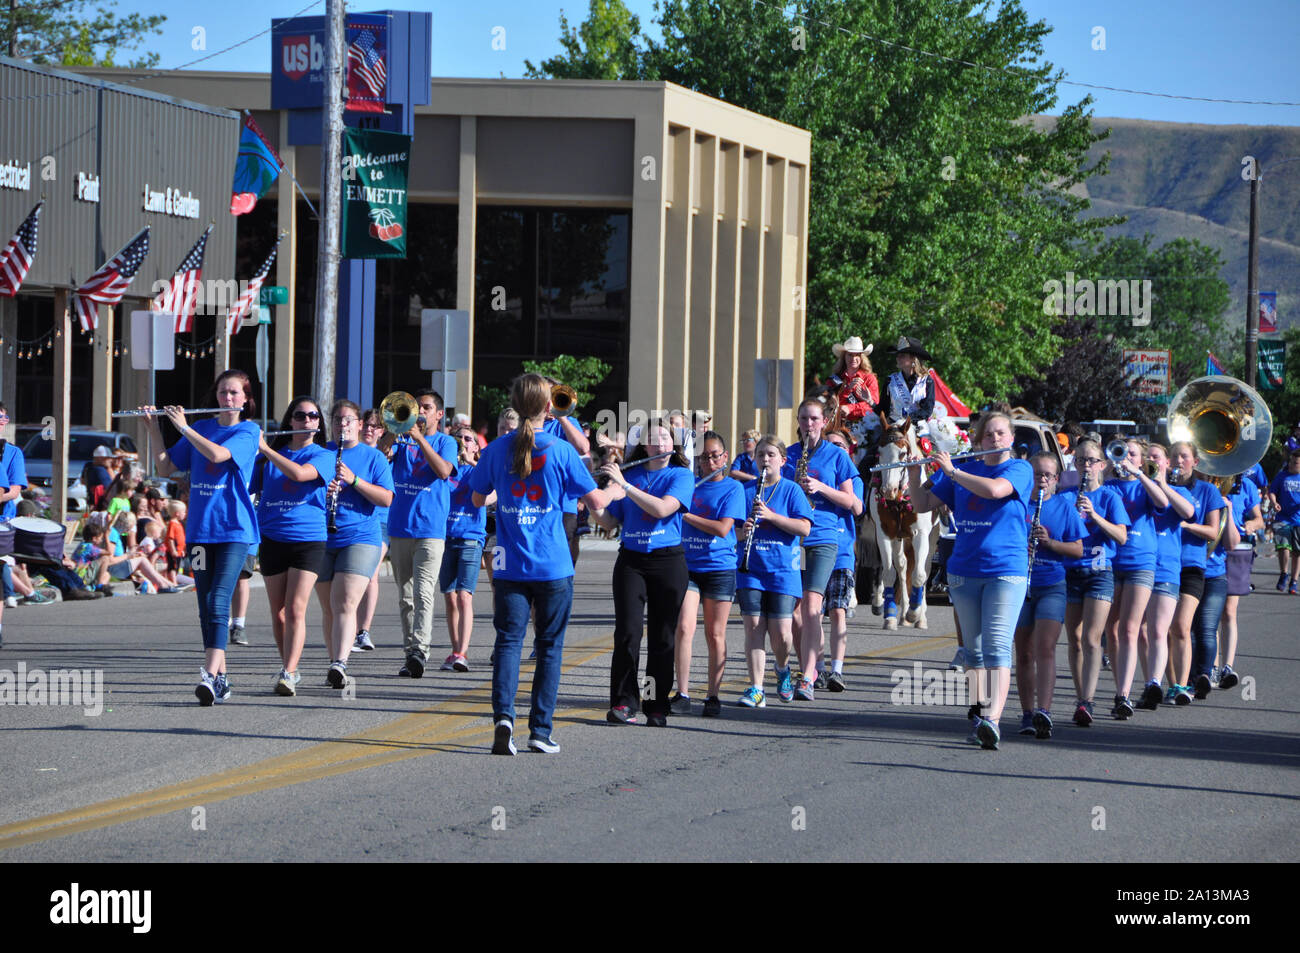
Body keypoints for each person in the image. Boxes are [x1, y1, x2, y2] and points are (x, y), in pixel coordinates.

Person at [468, 373, 607, 755]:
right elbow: (597, 506)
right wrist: (616, 486)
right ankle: (540, 731)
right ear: (550, 407)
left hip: (510, 565)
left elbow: (478, 499)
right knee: (549, 647)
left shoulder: (496, 448)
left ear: (515, 405)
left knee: (509, 643)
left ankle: (503, 720)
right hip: (553, 565)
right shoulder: (561, 452)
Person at [909, 411, 1033, 749]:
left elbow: (995, 491)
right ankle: (980, 715)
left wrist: (952, 471)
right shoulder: (965, 467)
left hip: (1005, 570)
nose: (995, 439)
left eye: (1001, 434)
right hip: (964, 570)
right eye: (988, 435)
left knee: (996, 646)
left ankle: (992, 720)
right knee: (973, 652)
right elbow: (921, 503)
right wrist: (915, 470)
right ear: (977, 440)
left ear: (1011, 438)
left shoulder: (1019, 469)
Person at [143, 369, 261, 705]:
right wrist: (155, 429)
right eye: (223, 392)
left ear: (246, 399)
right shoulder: (202, 427)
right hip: (199, 532)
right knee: (204, 604)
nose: (228, 398)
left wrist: (182, 427)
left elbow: (217, 455)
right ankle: (221, 677)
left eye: (235, 393)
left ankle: (209, 675)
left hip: (234, 531)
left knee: (220, 599)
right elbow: (166, 469)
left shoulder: (249, 431)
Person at [593, 421, 694, 726]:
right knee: (627, 633)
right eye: (653, 439)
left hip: (668, 561)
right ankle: (624, 703)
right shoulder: (632, 474)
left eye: (666, 438)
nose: (660, 443)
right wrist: (590, 496)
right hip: (632, 561)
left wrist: (624, 486)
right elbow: (610, 522)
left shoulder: (681, 475)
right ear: (645, 447)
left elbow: (662, 510)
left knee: (662, 638)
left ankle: (656, 704)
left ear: (673, 445)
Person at [251, 397, 333, 696]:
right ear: (291, 421)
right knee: (279, 613)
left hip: (308, 538)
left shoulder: (323, 455)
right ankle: (289, 666)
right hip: (272, 536)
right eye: (301, 416)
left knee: (297, 608)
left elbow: (300, 474)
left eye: (314, 416)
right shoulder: (269, 458)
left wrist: (265, 449)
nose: (308, 420)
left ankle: (288, 672)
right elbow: (245, 483)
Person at [317, 400, 395, 689]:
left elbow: (386, 498)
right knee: (329, 607)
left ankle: (341, 662)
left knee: (345, 602)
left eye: (349, 420)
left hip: (361, 536)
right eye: (337, 419)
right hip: (323, 536)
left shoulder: (373, 457)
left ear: (360, 425)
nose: (343, 424)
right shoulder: (322, 452)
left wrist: (354, 481)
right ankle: (333, 663)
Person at [785, 398, 859, 701]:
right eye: (804, 418)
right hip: (792, 536)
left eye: (814, 418)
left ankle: (806, 676)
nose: (809, 424)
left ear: (824, 421)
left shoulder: (836, 456)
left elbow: (852, 503)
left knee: (814, 606)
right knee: (795, 612)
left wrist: (822, 488)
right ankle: (810, 668)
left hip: (824, 536)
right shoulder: (789, 454)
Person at [733, 435, 813, 708]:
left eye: (770, 455)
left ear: (782, 460)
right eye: (760, 455)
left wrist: (772, 517)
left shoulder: (791, 490)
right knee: (754, 628)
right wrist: (743, 532)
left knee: (781, 634)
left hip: (782, 570)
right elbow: (730, 532)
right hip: (750, 569)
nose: (765, 460)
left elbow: (804, 528)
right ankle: (756, 688)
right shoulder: (744, 491)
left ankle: (782, 668)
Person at [670, 430, 745, 717]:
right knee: (685, 628)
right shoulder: (689, 485)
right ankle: (683, 692)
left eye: (715, 456)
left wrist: (684, 513)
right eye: (704, 457)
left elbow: (723, 528)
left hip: (719, 567)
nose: (710, 462)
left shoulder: (732, 488)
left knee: (715, 633)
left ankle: (713, 695)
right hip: (688, 565)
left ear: (725, 458)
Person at [1012, 451, 1085, 738]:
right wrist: (1023, 545)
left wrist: (1050, 543)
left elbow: (1078, 549)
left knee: (1045, 647)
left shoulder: (1064, 507)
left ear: (1056, 479)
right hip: (1021, 583)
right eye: (1037, 474)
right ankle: (1027, 713)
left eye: (1047, 475)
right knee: (1024, 652)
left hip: (1052, 584)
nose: (1041, 480)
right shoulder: (1018, 504)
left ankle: (1045, 710)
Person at [388, 389, 457, 678]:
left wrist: (419, 439)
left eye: (426, 407)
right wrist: (392, 433)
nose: (421, 412)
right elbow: (380, 456)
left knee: (423, 593)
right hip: (400, 526)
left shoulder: (446, 441)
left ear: (439, 414)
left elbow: (443, 471)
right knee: (405, 597)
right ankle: (410, 653)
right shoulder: (401, 440)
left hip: (430, 528)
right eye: (418, 407)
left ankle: (421, 649)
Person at [1060, 436, 1129, 727]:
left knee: (1091, 637)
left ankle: (1087, 700)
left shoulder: (1110, 497)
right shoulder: (1064, 496)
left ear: (1102, 465)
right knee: (1073, 639)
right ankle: (1080, 698)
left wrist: (1094, 515)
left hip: (1100, 572)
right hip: (1070, 572)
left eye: (1091, 460)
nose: (1086, 465)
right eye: (1081, 460)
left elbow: (1122, 536)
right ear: (1074, 463)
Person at [1102, 438, 1171, 719]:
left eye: (1132, 454)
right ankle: (1122, 689)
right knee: (1112, 631)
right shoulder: (1109, 484)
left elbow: (1163, 502)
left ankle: (1124, 695)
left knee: (1130, 629)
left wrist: (1139, 473)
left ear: (1141, 459)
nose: (1126, 458)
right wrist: (1106, 470)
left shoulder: (1144, 484)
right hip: (1109, 561)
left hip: (1140, 562)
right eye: (1122, 453)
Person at [1135, 443, 1194, 710]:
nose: (1150, 460)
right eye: (1146, 457)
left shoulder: (1179, 490)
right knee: (1139, 632)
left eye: (1156, 458)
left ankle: (1155, 683)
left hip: (1165, 569)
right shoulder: (1137, 489)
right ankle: (1152, 682)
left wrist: (1162, 483)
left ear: (1167, 463)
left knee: (1158, 630)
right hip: (1137, 567)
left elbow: (1189, 513)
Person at [439, 423, 491, 672]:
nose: (463, 441)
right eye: (458, 438)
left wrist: (471, 462)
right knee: (449, 597)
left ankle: (462, 652)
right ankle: (455, 649)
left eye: (468, 439)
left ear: (476, 447)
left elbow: (492, 492)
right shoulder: (447, 470)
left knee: (463, 595)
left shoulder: (478, 470)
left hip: (471, 536)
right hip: (445, 537)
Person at [818, 428, 864, 691]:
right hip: (813, 547)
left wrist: (827, 489)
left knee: (837, 611)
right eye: (830, 444)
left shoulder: (852, 476)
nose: (835, 449)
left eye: (840, 445)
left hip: (841, 550)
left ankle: (837, 669)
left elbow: (856, 507)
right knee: (811, 614)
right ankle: (818, 668)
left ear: (847, 449)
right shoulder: (815, 471)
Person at [353, 407, 395, 652]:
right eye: (367, 425)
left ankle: (363, 630)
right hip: (352, 519)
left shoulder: (385, 453)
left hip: (379, 519)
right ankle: (349, 626)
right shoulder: (350, 451)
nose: (370, 430)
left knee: (371, 572)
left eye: (376, 426)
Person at [1216, 473, 1263, 691]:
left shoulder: (1247, 485)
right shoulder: (1209, 480)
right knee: (1210, 612)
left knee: (1228, 611)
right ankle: (1211, 666)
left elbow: (1259, 518)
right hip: (1210, 547)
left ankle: (1227, 665)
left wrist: (1252, 524)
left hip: (1236, 549)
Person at [875, 337, 936, 437]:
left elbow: (927, 410)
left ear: (913, 359)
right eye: (898, 355)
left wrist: (908, 420)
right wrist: (870, 402)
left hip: (918, 428)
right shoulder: (890, 380)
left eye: (902, 356)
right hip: (894, 427)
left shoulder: (927, 381)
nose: (897, 358)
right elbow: (884, 408)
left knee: (931, 448)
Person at [826, 336, 880, 437]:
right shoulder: (834, 380)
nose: (854, 359)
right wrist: (847, 390)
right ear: (844, 357)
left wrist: (850, 408)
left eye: (857, 355)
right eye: (850, 355)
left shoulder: (869, 378)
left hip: (865, 428)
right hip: (838, 428)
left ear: (861, 358)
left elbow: (874, 405)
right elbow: (830, 405)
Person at [1269, 448, 1300, 594]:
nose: (1293, 465)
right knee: (1283, 547)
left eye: (1296, 463)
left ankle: (1294, 581)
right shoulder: (1282, 476)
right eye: (1292, 462)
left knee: (1297, 552)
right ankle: (1283, 574)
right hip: (1283, 518)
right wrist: (1274, 502)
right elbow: (1272, 491)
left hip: (1298, 520)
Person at [0, 405, 28, 521]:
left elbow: (14, 491)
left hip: (3, 518)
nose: (1, 421)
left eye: (3, 418)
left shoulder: (13, 453)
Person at [81, 446, 115, 511]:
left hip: (92, 503)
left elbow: (82, 481)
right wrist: (109, 468)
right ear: (99, 458)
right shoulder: (100, 470)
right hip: (102, 506)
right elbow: (112, 486)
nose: (111, 460)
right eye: (108, 458)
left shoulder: (88, 466)